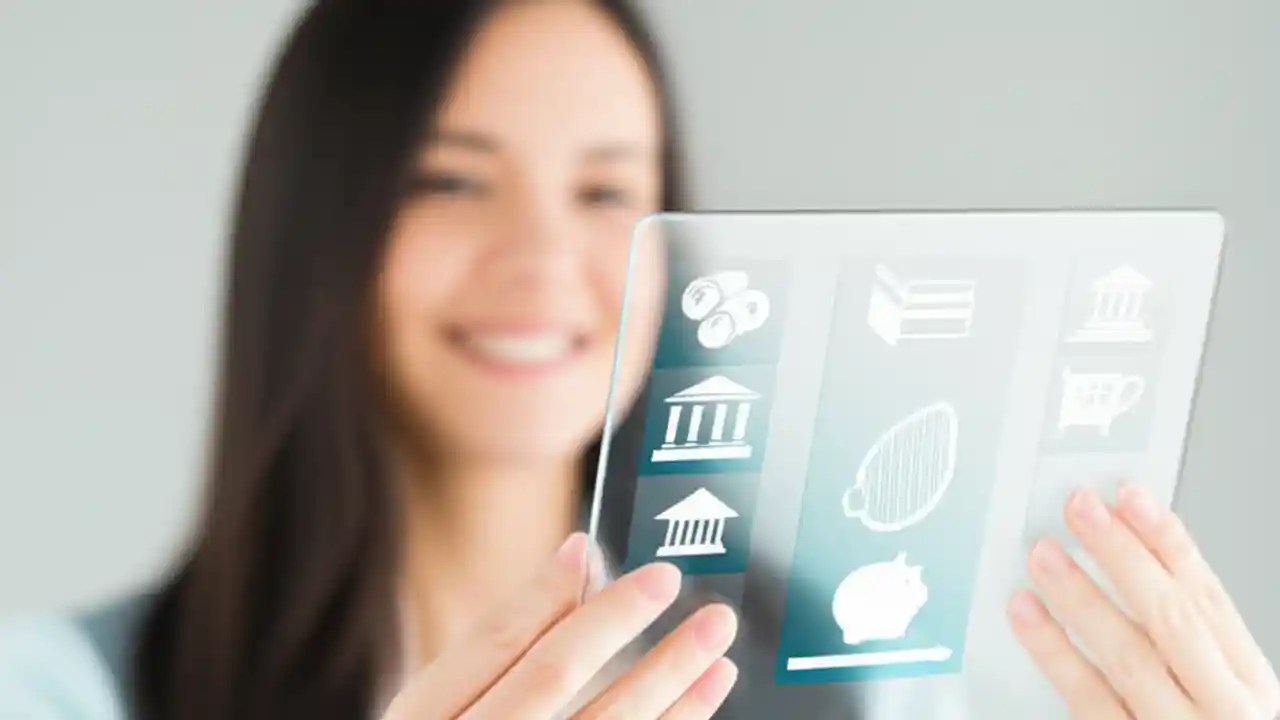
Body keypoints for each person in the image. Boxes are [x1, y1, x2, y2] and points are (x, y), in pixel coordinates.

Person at [1, 1, 1276, 719]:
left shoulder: (844, 682)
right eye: (449, 180)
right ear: (317, 224)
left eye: (610, 191)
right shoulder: (65, 692)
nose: (544, 260)